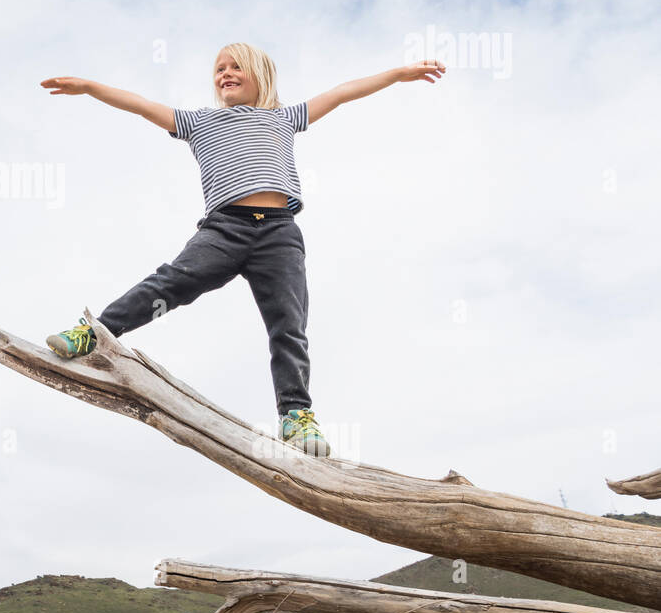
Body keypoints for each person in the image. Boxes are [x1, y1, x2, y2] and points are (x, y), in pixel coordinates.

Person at [41, 43, 446, 457]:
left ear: (260, 76)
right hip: (224, 229)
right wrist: (90, 86)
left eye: (236, 67)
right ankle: (93, 332)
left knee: (288, 324)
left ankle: (296, 416)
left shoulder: (284, 117)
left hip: (279, 234)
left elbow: (343, 92)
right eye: (219, 69)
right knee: (169, 284)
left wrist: (397, 74)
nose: (225, 74)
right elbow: (142, 105)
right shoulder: (199, 122)